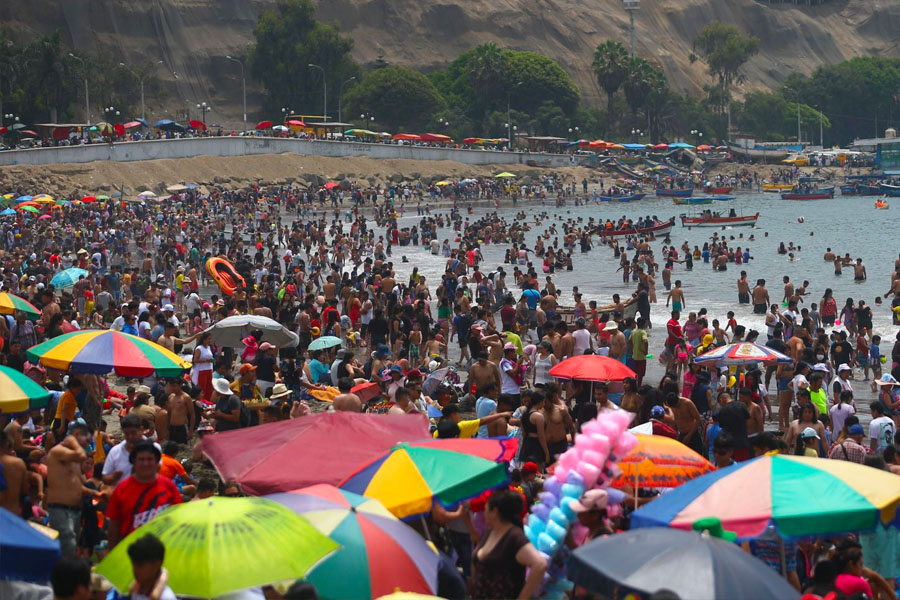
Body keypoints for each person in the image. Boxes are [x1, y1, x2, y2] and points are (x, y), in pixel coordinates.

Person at [469, 489, 547, 600]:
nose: (484, 512)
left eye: (486, 508)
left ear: (494, 511)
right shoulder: (490, 531)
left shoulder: (514, 537)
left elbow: (540, 565)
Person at [106, 440, 182, 548]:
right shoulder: (121, 489)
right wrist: (111, 550)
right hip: (131, 548)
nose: (146, 464)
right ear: (134, 461)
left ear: (157, 462)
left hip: (163, 547)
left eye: (150, 459)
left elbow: (177, 519)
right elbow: (114, 524)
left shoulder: (169, 487)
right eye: (141, 459)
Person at [46, 421, 95, 557]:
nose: (88, 444)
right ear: (77, 435)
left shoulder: (71, 458)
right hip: (61, 510)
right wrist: (73, 441)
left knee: (72, 549)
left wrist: (97, 494)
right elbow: (82, 456)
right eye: (87, 440)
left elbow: (77, 484)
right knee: (68, 548)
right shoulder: (59, 451)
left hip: (74, 511)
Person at [126, 533, 177, 600]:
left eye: (140, 565)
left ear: (157, 565)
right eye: (133, 564)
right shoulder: (135, 592)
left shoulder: (166, 597)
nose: (135, 570)